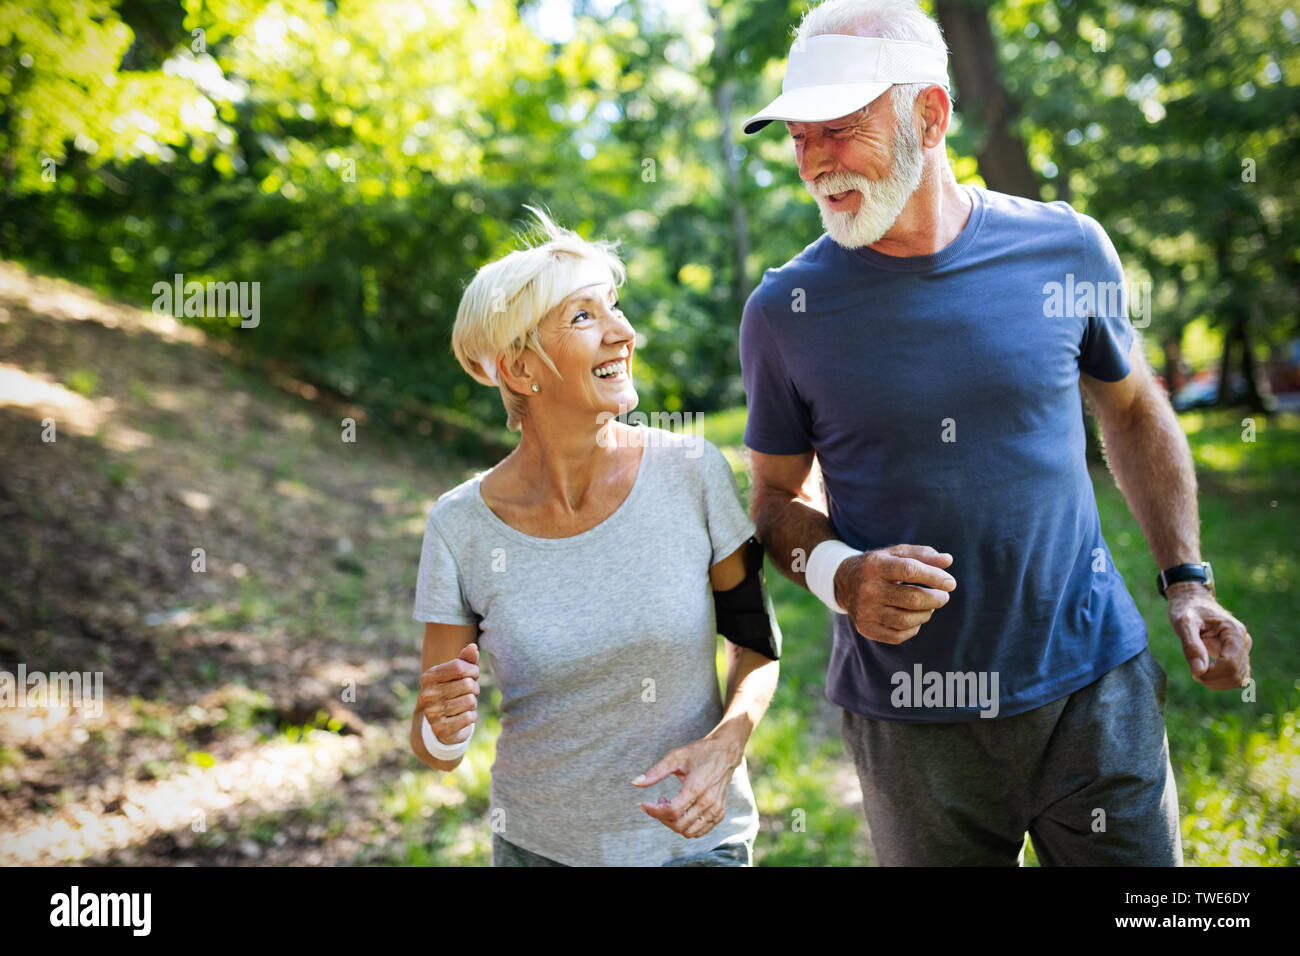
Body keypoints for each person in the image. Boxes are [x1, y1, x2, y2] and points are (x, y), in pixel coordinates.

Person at [739, 0, 1252, 866]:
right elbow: (774, 498)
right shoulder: (785, 311)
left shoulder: (1066, 247)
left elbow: (1130, 411)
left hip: (1095, 687)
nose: (815, 163)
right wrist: (842, 575)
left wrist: (1188, 580)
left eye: (839, 130)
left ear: (930, 116)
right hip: (910, 723)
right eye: (799, 137)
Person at [409, 207, 781, 866]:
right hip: (538, 849)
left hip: (694, 849)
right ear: (522, 370)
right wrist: (441, 731)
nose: (624, 332)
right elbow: (434, 739)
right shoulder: (459, 524)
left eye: (615, 308)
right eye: (585, 318)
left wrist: (728, 745)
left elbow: (756, 642)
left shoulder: (693, 473)